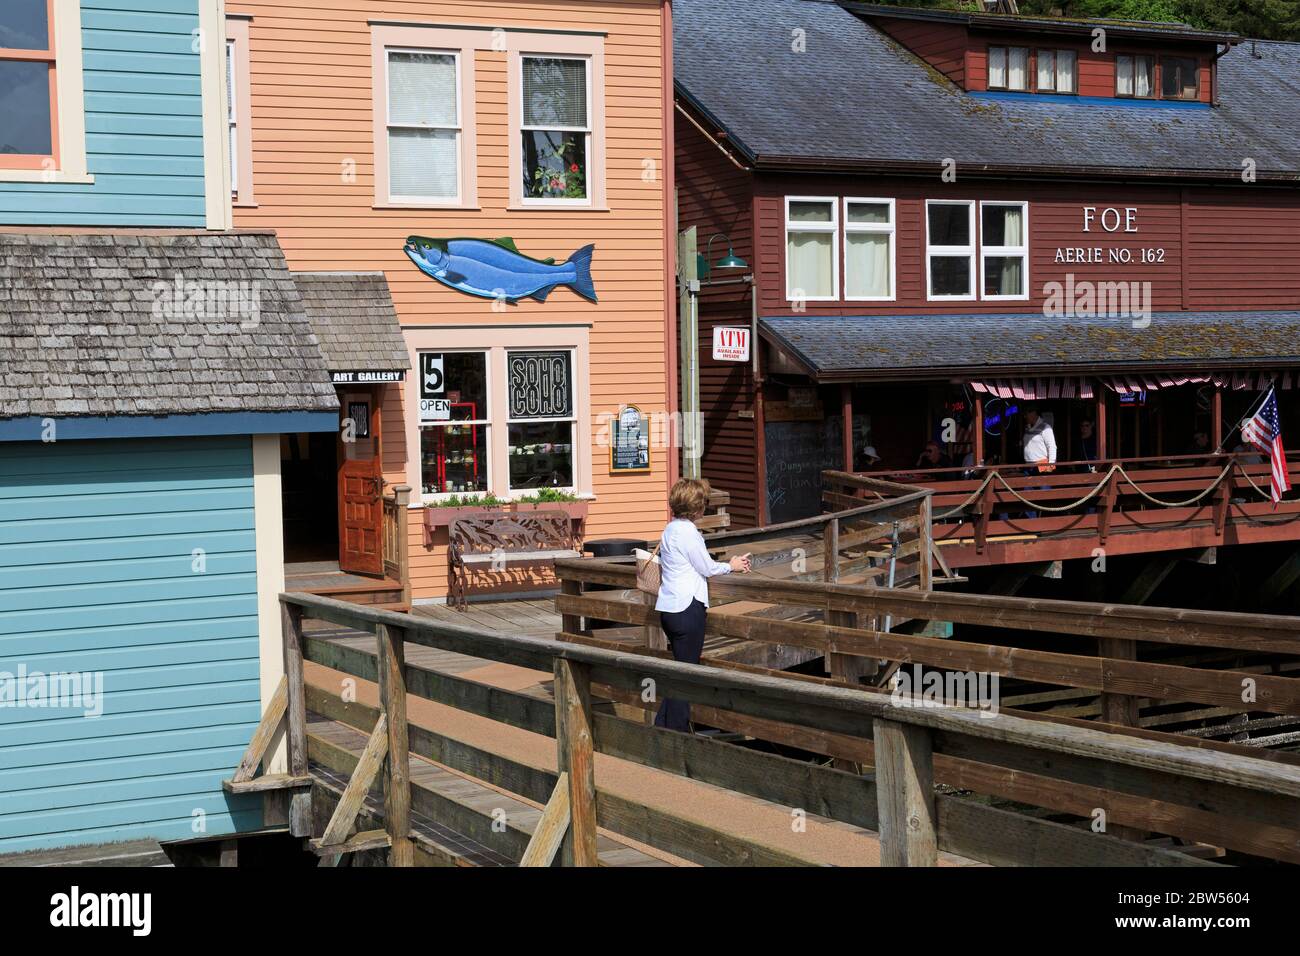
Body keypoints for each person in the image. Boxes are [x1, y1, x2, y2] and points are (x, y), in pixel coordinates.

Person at [653, 478, 750, 732]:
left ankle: (662, 726)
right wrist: (733, 565)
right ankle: (676, 733)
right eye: (703, 504)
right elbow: (706, 567)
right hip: (688, 609)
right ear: (696, 509)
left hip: (669, 608)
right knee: (687, 676)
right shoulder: (689, 533)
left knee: (680, 672)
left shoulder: (670, 529)